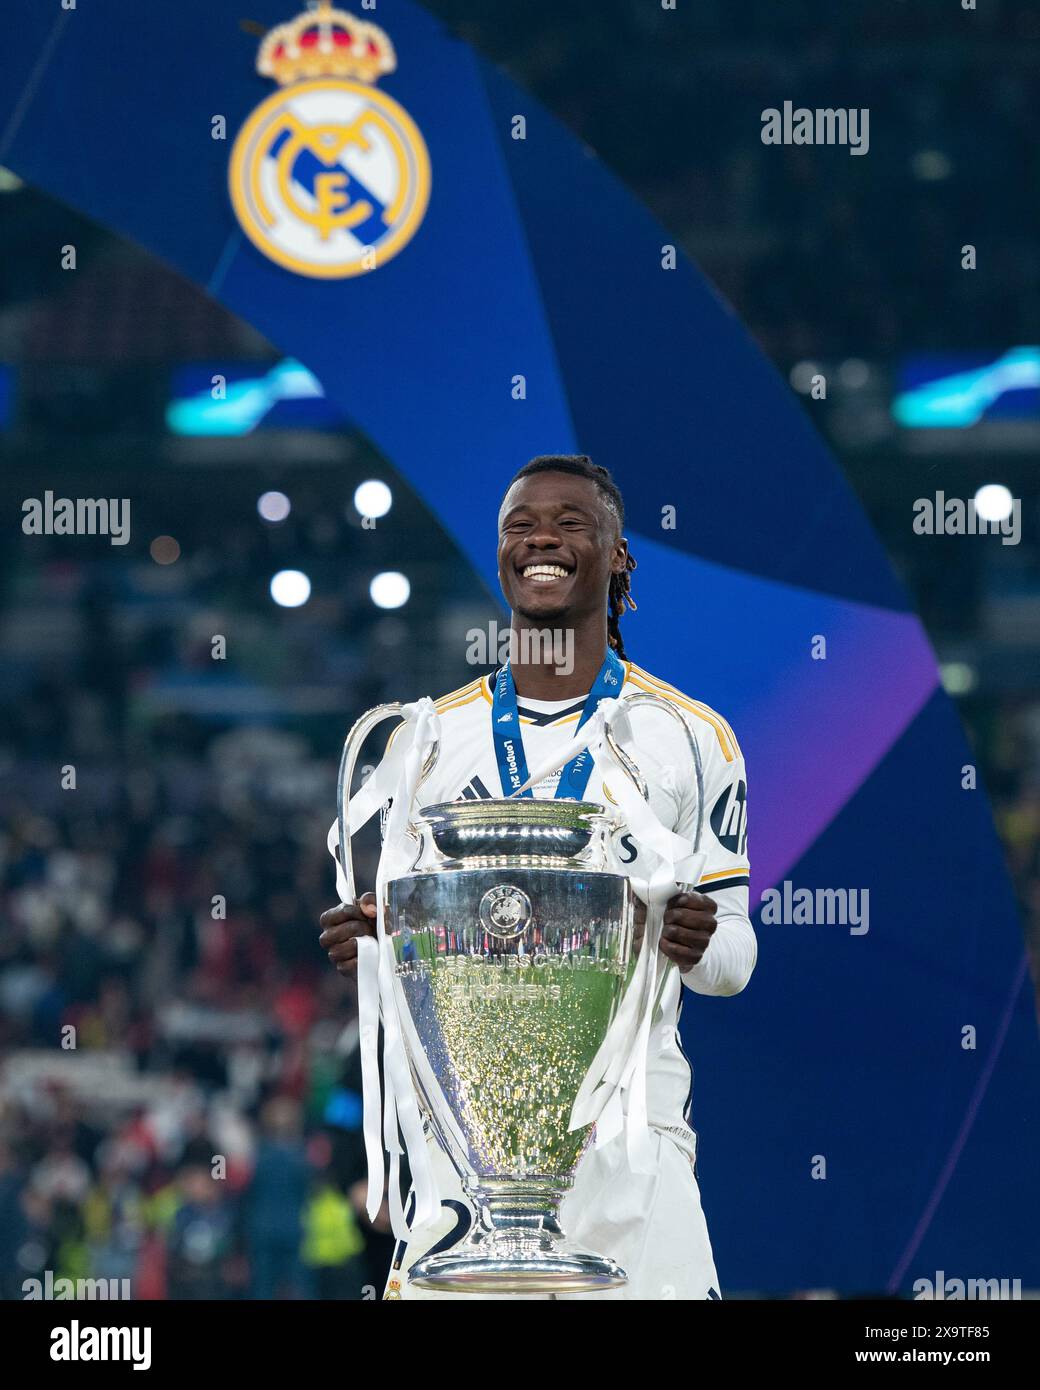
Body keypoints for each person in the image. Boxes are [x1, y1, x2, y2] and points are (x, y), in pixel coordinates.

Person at [319, 454, 756, 1300]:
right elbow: (420, 947)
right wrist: (375, 941)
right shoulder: (428, 741)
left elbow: (734, 961)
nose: (542, 539)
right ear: (500, 555)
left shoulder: (693, 738)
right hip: (468, 1150)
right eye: (520, 525)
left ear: (619, 554)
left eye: (571, 522)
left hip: (631, 1142)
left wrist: (699, 943)